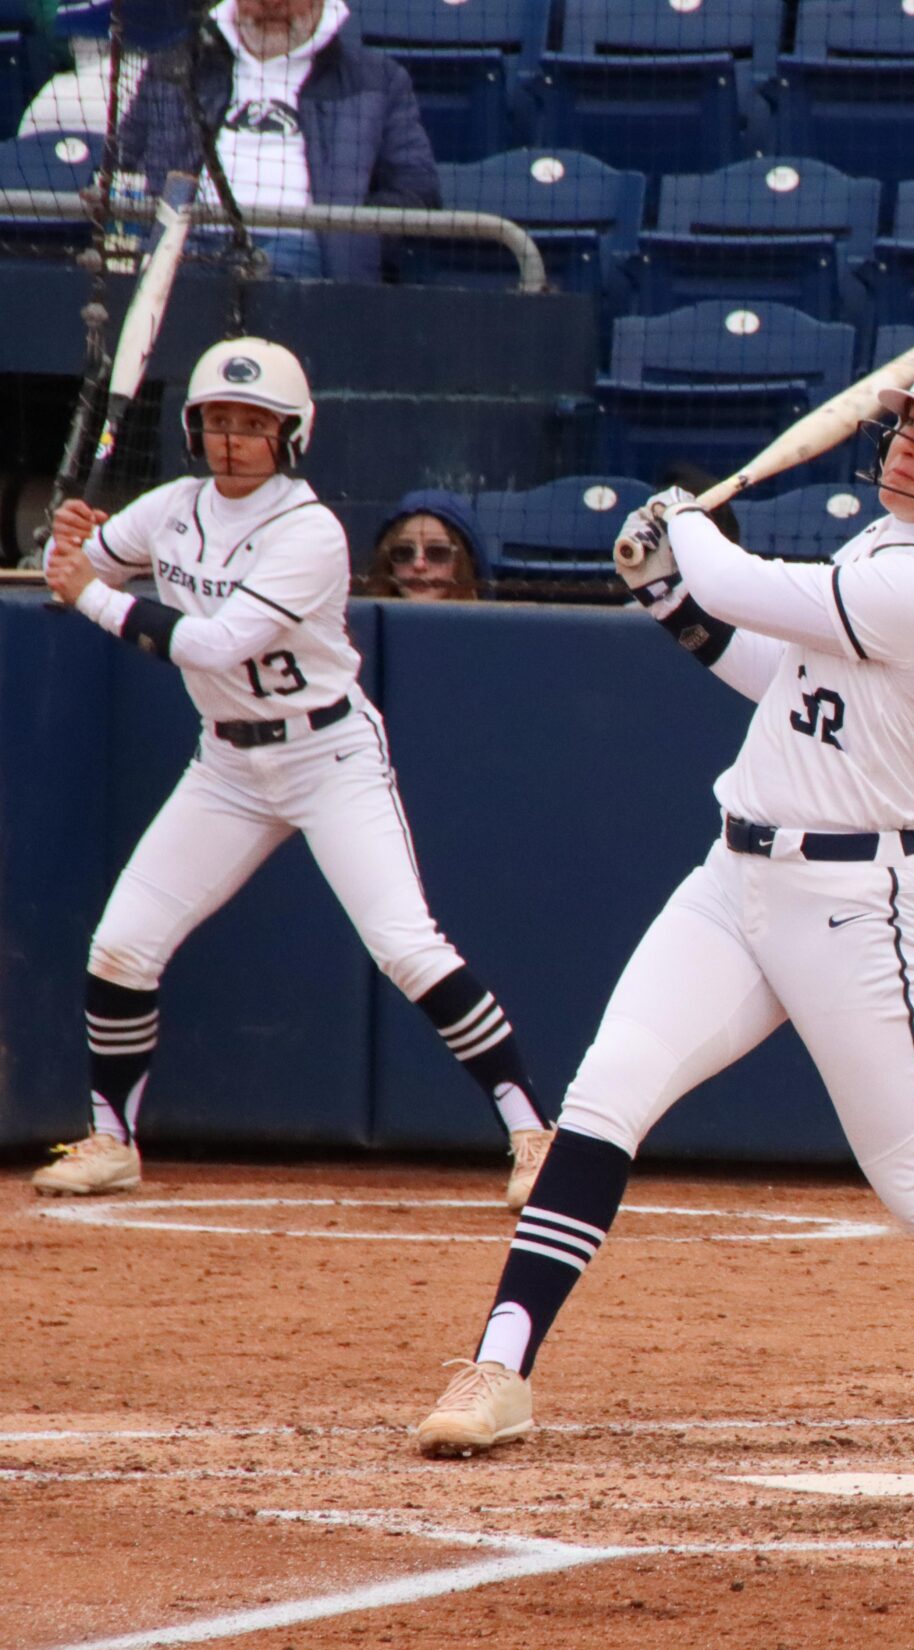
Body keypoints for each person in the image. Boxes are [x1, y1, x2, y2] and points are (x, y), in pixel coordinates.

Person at [414, 356, 914, 1458]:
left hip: (848, 903)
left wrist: (684, 527)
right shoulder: (884, 547)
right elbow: (778, 672)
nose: (907, 447)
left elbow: (741, 585)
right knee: (601, 1103)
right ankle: (497, 1367)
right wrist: (669, 600)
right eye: (912, 427)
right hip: (732, 882)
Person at [32, 337, 554, 1208]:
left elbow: (209, 640)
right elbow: (89, 566)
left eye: (255, 424)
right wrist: (71, 544)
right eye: (220, 422)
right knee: (122, 946)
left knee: (405, 945)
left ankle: (534, 1131)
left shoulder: (309, 530)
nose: (235, 438)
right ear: (197, 429)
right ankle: (112, 1138)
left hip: (328, 754)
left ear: (290, 435)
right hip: (227, 762)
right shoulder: (170, 509)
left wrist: (86, 589)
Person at [122, 0, 440, 281]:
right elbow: (125, 163)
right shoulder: (177, 68)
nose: (273, 3)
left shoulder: (377, 80)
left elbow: (417, 190)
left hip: (301, 247)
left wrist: (350, 237)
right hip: (187, 240)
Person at [362, 491, 483, 602]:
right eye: (403, 553)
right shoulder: (363, 623)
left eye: (437, 553)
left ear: (462, 562)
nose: (419, 565)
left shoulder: (489, 625)